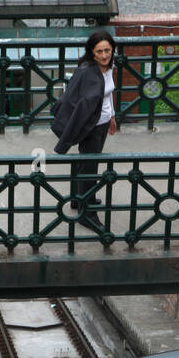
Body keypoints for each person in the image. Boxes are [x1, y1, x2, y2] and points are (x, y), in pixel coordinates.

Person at [51, 30, 118, 230]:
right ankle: (87, 214)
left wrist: (112, 116)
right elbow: (76, 100)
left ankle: (78, 199)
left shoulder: (110, 66)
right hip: (92, 126)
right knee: (89, 168)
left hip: (103, 122)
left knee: (86, 162)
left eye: (107, 50)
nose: (104, 55)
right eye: (99, 52)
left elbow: (107, 95)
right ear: (92, 52)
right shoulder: (87, 71)